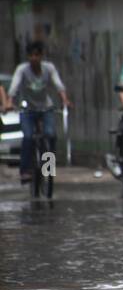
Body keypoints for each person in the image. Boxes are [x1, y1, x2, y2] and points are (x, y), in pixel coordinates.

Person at [9, 40, 71, 184]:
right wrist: (9, 103)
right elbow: (14, 87)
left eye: (37, 55)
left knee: (50, 135)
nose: (34, 58)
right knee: (28, 137)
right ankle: (25, 170)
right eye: (31, 55)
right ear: (28, 56)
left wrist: (65, 100)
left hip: (45, 108)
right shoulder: (22, 69)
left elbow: (59, 85)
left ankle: (48, 167)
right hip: (27, 110)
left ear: (41, 56)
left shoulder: (49, 68)